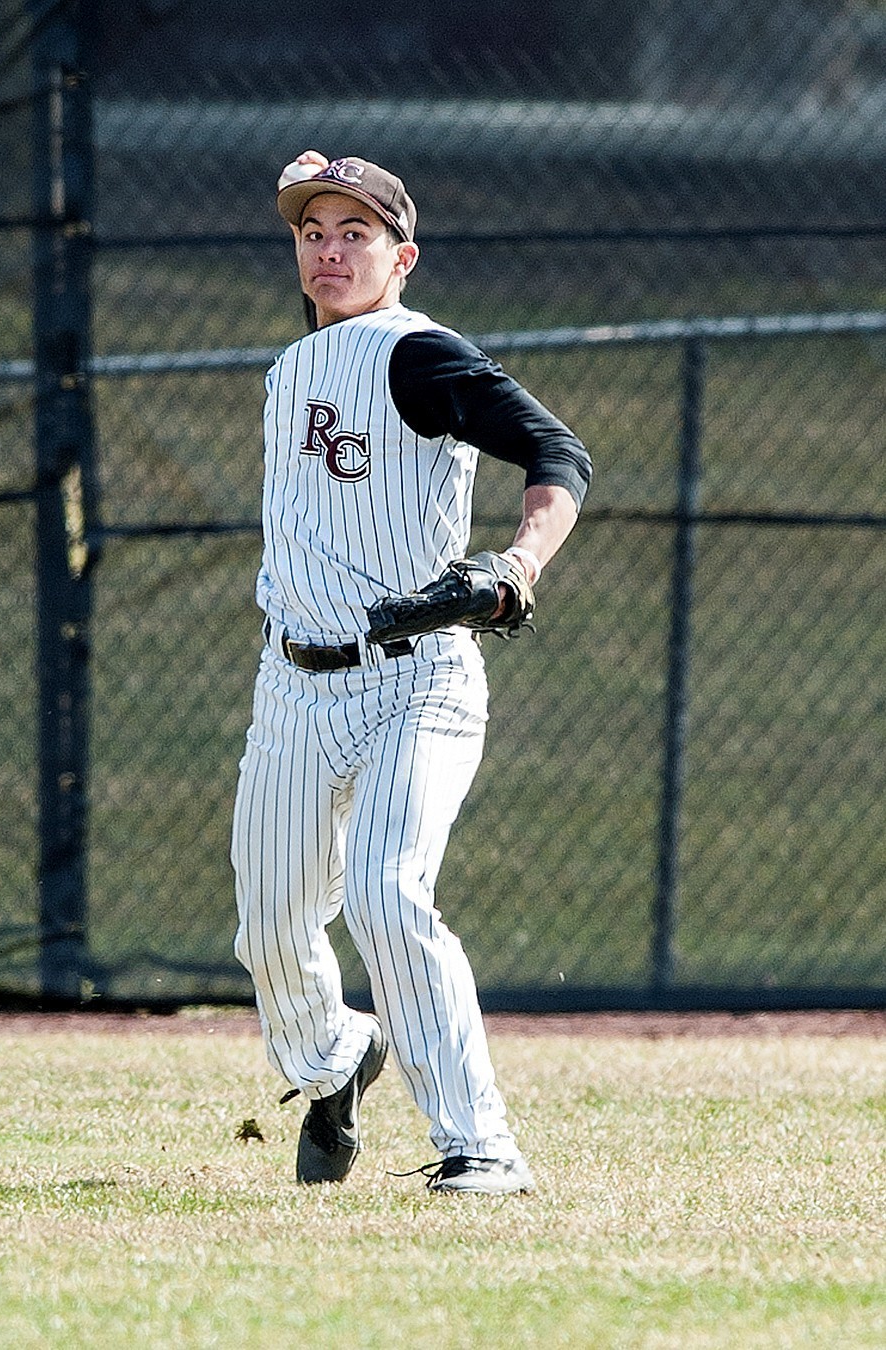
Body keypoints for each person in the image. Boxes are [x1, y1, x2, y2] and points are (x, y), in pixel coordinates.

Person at [231, 150, 592, 1194]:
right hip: (294, 683)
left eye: (355, 232)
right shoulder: (296, 367)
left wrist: (515, 566)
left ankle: (480, 1145)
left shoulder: (415, 354)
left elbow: (558, 453)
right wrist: (311, 171)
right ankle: (338, 1057)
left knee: (389, 893)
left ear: (404, 257)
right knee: (268, 928)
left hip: (413, 676)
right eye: (312, 231)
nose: (330, 248)